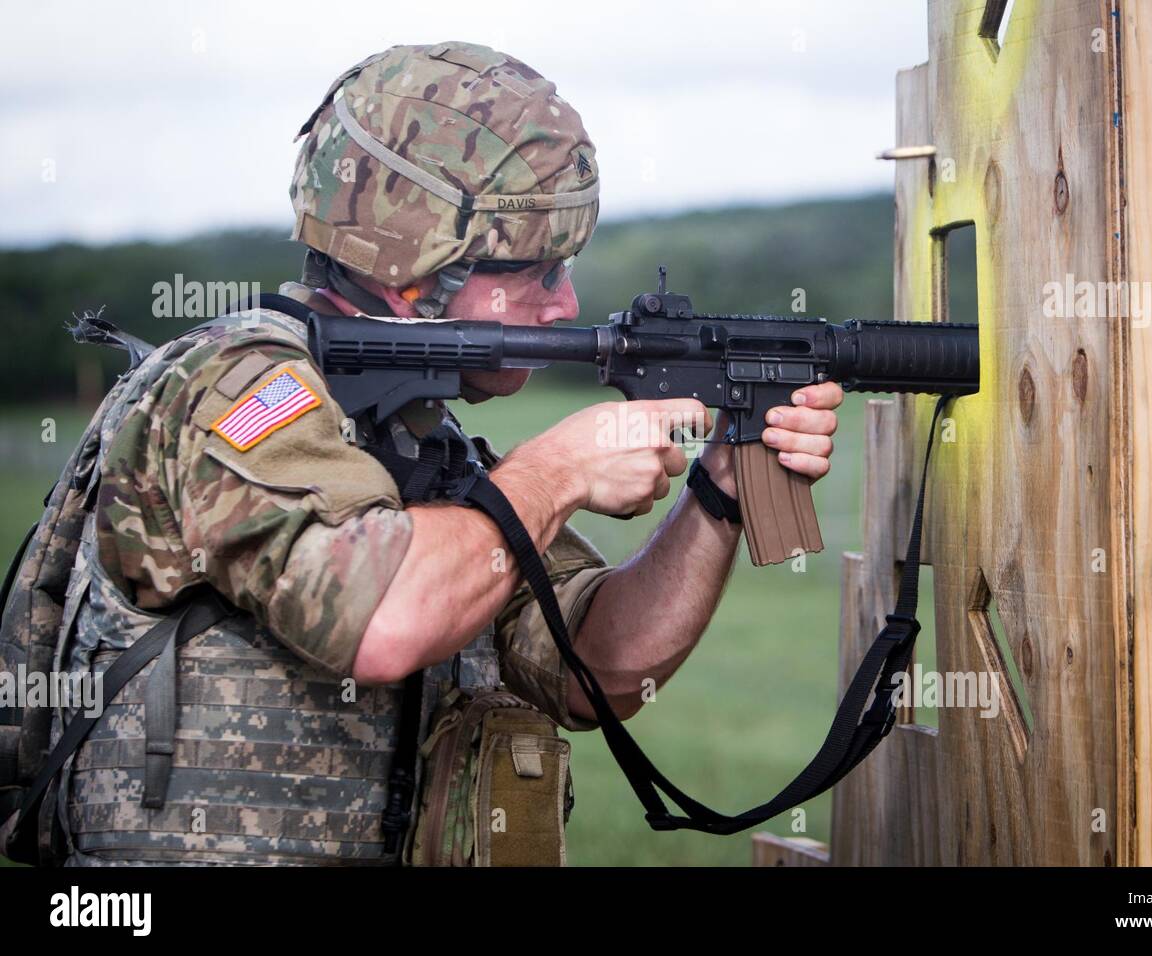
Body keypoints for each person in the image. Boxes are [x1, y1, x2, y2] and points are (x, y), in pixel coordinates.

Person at [23, 42, 841, 865]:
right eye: (537, 272)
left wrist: (723, 488)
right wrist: (558, 471)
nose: (566, 304)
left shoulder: (424, 447)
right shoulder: (234, 387)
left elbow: (599, 668)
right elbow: (380, 621)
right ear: (416, 274)